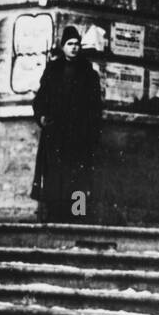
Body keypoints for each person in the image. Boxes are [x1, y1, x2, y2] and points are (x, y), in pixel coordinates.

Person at [31, 25, 103, 222]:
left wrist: (92, 133)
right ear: (63, 46)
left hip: (80, 135)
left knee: (79, 177)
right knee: (55, 176)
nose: (74, 48)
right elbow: (40, 99)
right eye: (70, 44)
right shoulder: (53, 70)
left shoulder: (88, 73)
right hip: (56, 134)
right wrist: (42, 116)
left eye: (77, 44)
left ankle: (77, 213)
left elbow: (96, 107)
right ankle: (55, 214)